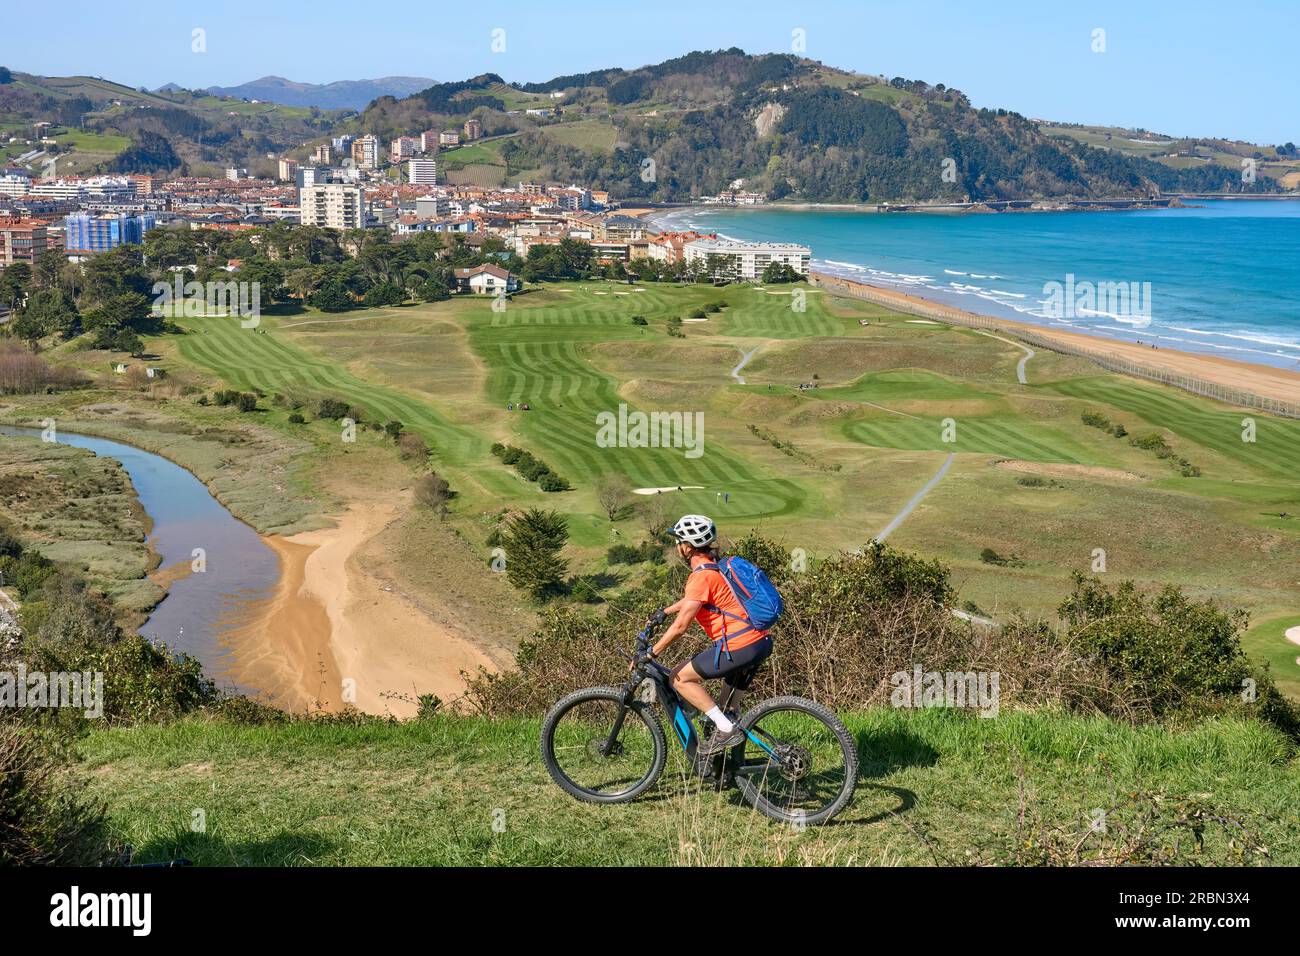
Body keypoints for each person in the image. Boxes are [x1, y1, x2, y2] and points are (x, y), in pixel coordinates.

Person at [643, 514, 773, 755]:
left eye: (679, 541)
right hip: (760, 641)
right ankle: (727, 764)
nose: (677, 546)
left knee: (679, 678)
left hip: (739, 645)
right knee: (725, 709)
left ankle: (726, 729)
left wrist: (652, 653)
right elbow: (696, 599)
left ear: (688, 547)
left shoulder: (700, 577)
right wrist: (665, 611)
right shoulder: (715, 568)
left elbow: (681, 627)